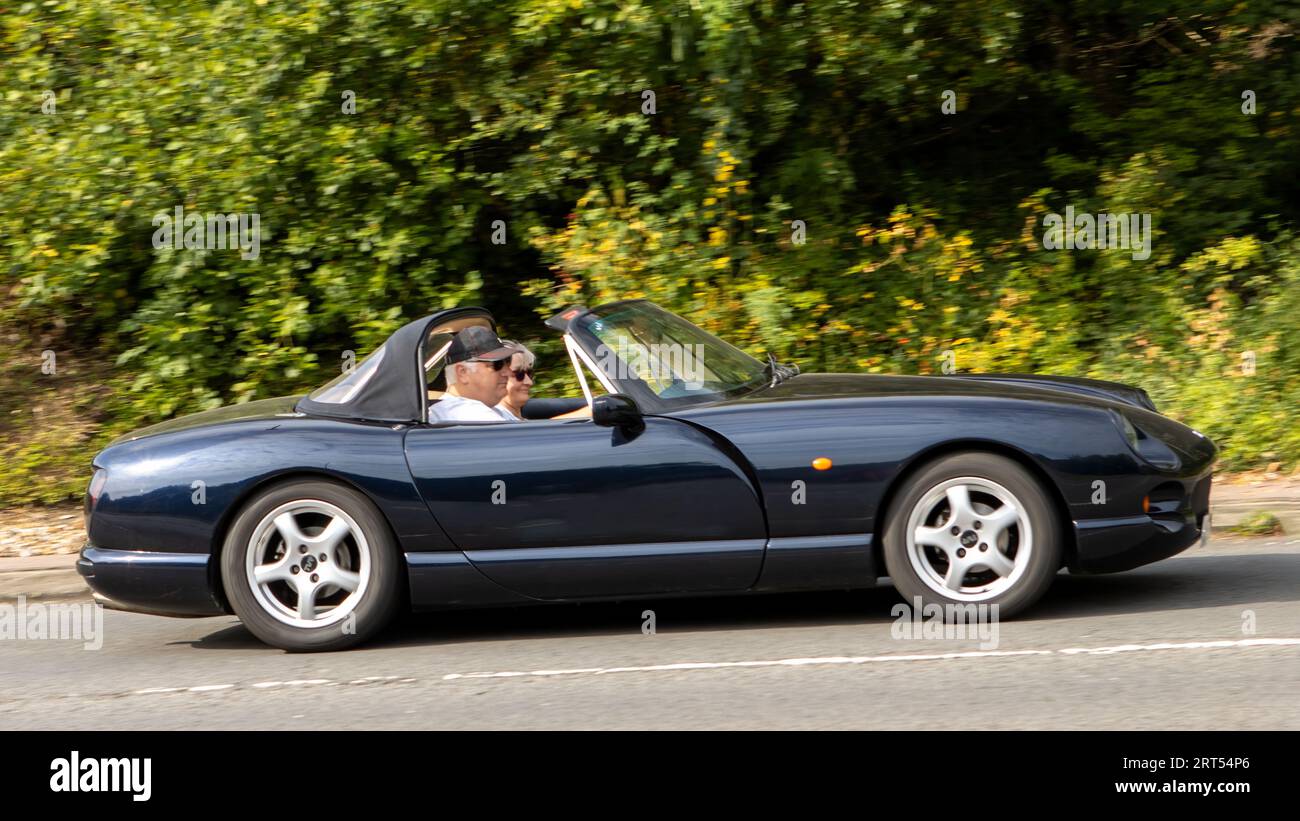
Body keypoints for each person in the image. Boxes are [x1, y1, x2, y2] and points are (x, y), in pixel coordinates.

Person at [427, 326, 520, 424]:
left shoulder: (493, 410)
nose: (508, 373)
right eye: (497, 364)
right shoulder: (465, 413)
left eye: (507, 362)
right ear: (463, 373)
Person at [496, 340, 535, 420]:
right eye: (518, 374)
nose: (529, 382)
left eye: (529, 373)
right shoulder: (495, 422)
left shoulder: (515, 423)